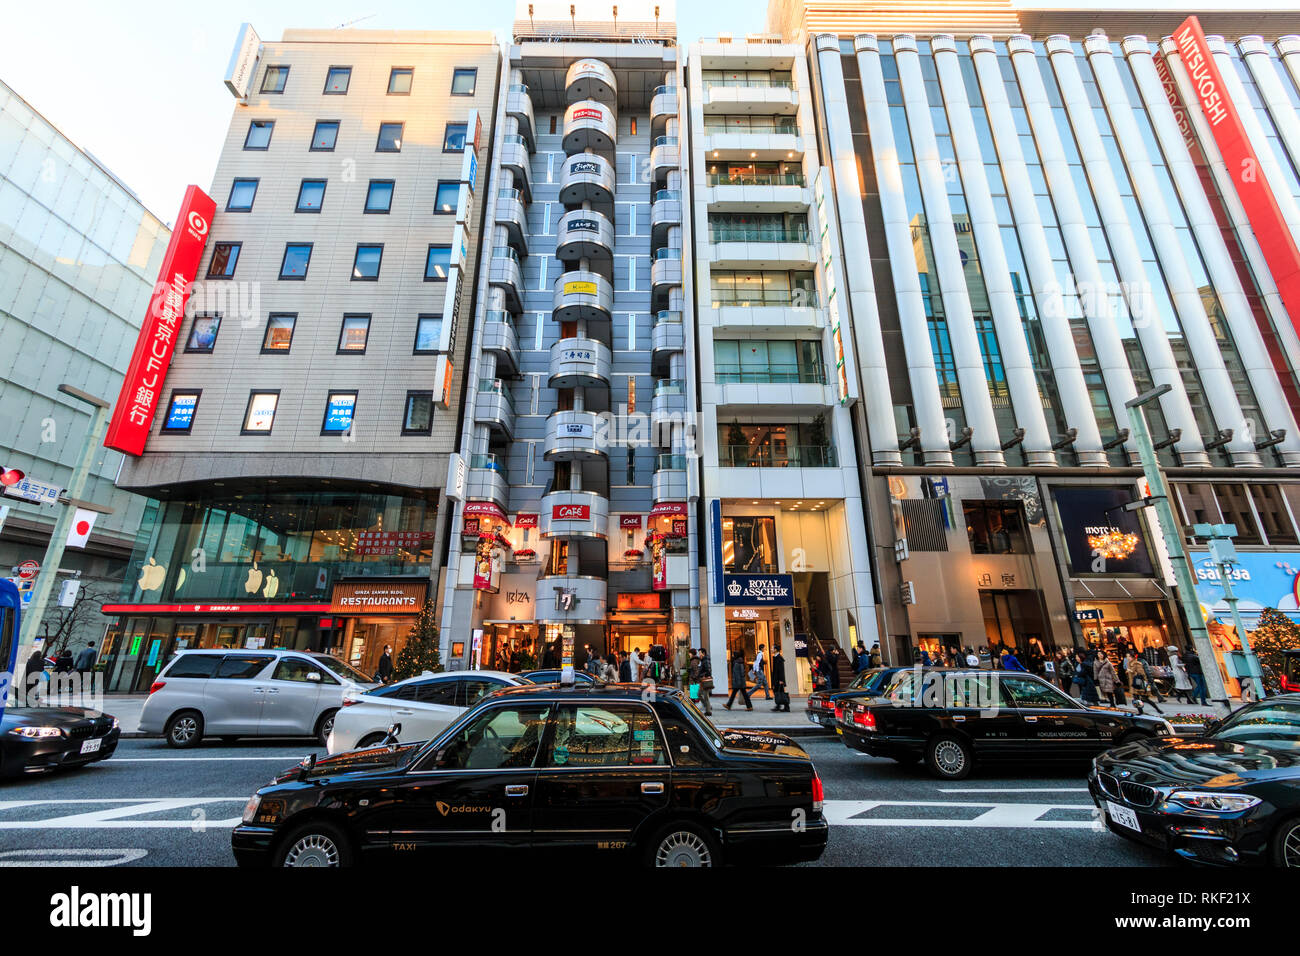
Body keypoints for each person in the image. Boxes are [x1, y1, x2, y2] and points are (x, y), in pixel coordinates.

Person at [697, 648, 714, 715]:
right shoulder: (703, 660)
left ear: (703, 653)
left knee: (705, 696)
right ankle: (708, 706)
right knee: (699, 694)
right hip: (702, 681)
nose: (699, 654)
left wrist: (704, 675)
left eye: (700, 653)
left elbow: (708, 670)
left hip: (705, 681)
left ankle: (708, 711)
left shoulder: (705, 660)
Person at [771, 647, 789, 712]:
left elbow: (781, 670)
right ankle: (783, 706)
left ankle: (782, 706)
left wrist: (781, 680)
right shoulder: (776, 657)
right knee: (779, 692)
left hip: (779, 679)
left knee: (779, 692)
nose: (771, 649)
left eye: (772, 648)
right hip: (777, 678)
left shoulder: (779, 658)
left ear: (776, 650)